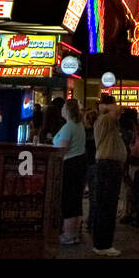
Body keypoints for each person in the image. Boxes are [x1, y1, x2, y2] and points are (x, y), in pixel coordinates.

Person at [91, 98, 127, 256]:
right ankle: (103, 244)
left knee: (106, 204)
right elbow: (116, 111)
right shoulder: (105, 119)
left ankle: (102, 242)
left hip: (108, 165)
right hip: (108, 166)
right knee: (107, 204)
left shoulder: (104, 122)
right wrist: (108, 107)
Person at [53, 98, 87, 245]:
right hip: (79, 163)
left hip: (69, 165)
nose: (61, 110)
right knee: (76, 199)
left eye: (63, 107)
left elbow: (63, 147)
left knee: (68, 200)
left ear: (67, 110)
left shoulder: (68, 127)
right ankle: (74, 233)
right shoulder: (79, 125)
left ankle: (68, 234)